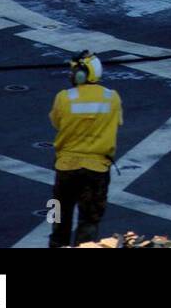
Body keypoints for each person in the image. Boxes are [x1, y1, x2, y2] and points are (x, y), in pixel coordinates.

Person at [48, 52, 122, 247]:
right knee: (89, 223)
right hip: (97, 171)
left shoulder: (64, 97)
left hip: (66, 168)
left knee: (59, 220)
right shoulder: (112, 98)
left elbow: (56, 122)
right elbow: (117, 122)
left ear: (82, 74)